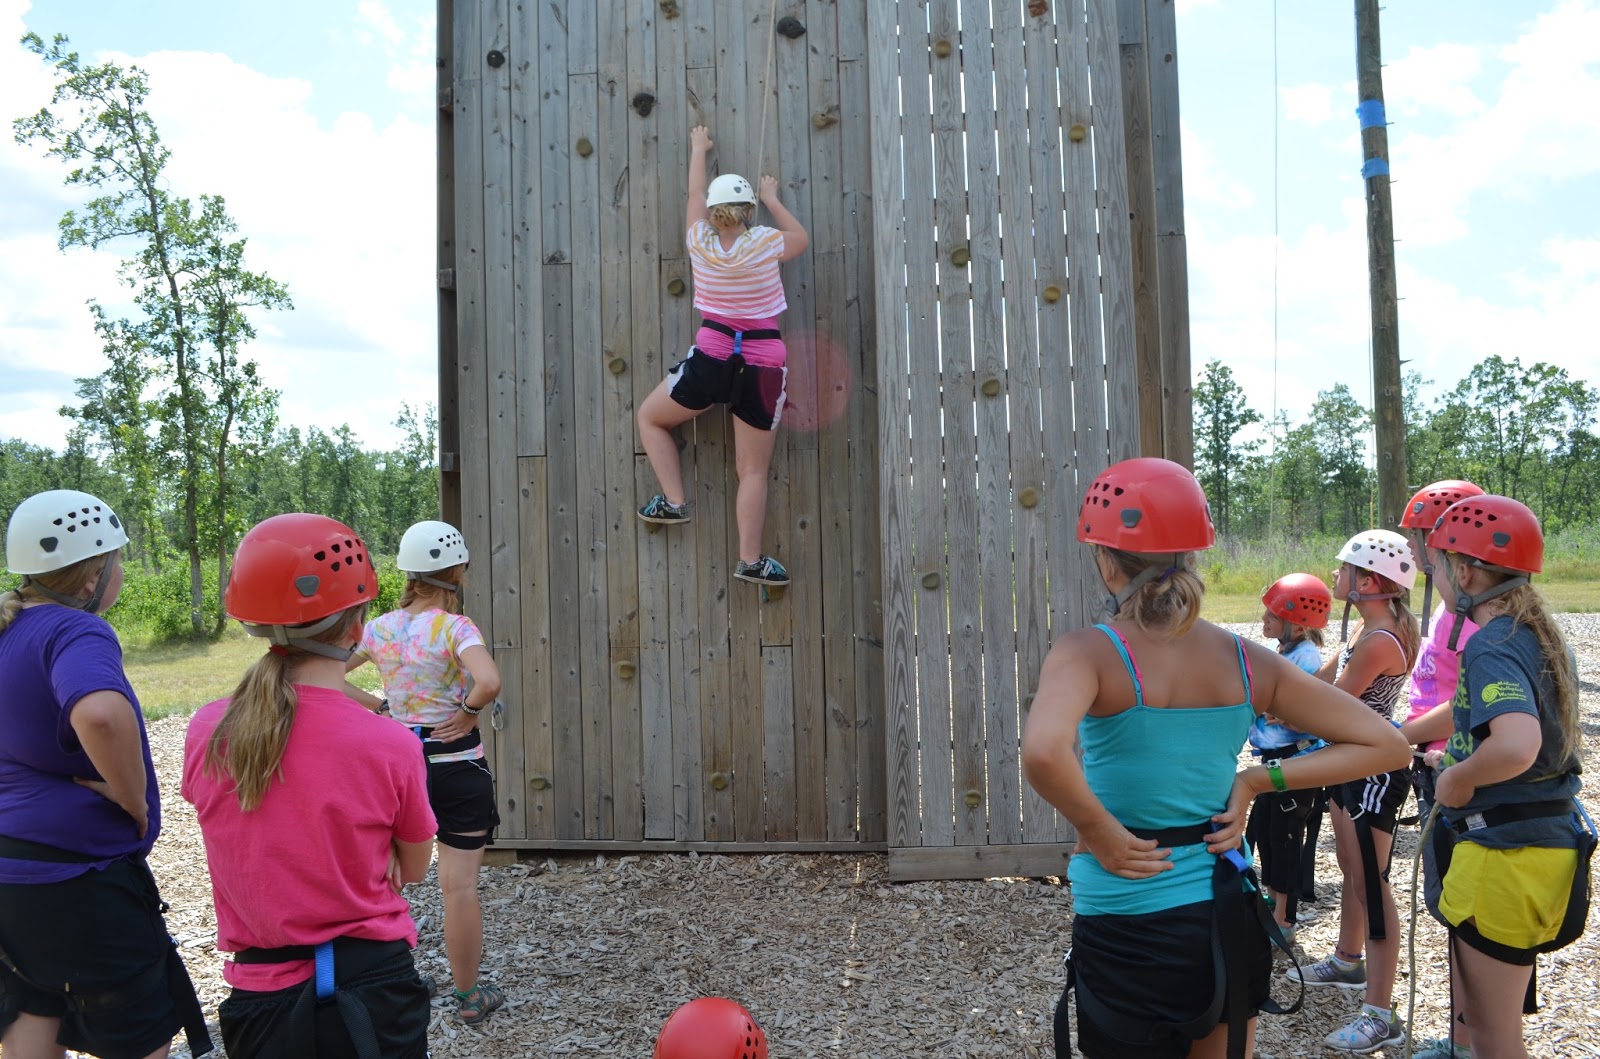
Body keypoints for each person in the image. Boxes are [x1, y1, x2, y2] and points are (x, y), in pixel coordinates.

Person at [1021, 458, 1410, 1059]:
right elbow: (1387, 744)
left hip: (1126, 913)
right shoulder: (1246, 658)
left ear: (1105, 560)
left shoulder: (1086, 652)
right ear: (1194, 556)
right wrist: (1256, 780)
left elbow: (1044, 752)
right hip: (1226, 911)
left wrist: (1098, 830)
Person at [182, 513, 436, 1059]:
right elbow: (414, 867)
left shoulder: (208, 730)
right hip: (374, 989)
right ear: (356, 627)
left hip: (261, 994)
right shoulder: (389, 743)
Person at [0, 489, 212, 1059]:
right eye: (117, 560)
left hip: (9, 873)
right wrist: (131, 797)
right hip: (78, 877)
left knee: (33, 1012)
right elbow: (99, 713)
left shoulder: (8, 628)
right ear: (94, 576)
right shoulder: (75, 630)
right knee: (137, 1038)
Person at [1399, 495, 1590, 1059]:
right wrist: (1446, 753)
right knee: (1496, 1026)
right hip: (1542, 846)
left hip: (1504, 855)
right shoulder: (1537, 635)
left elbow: (1516, 744)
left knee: (1492, 1037)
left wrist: (1459, 778)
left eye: (1436, 566)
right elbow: (1516, 736)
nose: (1433, 576)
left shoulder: (1491, 643)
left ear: (1465, 572)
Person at [342, 519, 506, 1026]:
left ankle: (395, 982)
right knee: (459, 888)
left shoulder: (380, 629)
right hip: (456, 769)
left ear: (408, 572)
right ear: (457, 571)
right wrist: (469, 711)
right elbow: (489, 681)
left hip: (398, 770)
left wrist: (380, 707)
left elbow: (329, 676)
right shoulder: (456, 628)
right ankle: (469, 997)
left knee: (388, 882)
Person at [635, 123, 810, 587]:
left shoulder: (699, 241)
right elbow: (800, 239)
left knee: (650, 418)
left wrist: (699, 147)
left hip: (712, 357)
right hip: (763, 363)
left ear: (712, 212)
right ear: (748, 210)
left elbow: (694, 193)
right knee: (752, 470)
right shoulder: (766, 241)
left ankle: (674, 501)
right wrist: (772, 199)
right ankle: (749, 560)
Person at [1290, 529, 1421, 1053]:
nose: (1335, 574)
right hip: (1352, 761)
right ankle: (1348, 961)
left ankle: (1380, 1014)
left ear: (1368, 582)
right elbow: (1317, 682)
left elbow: (1333, 701)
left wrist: (1285, 715)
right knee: (1353, 869)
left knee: (1371, 881)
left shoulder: (1379, 641)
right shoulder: (1366, 631)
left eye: (1343, 568)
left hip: (1372, 770)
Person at [1246, 573, 1332, 939]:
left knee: (1284, 840)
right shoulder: (1286, 652)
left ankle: (1284, 920)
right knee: (1266, 834)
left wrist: (1274, 709)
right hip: (1275, 760)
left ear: (1297, 625)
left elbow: (1309, 715)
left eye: (1273, 616)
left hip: (1293, 763)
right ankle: (1272, 900)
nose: (1264, 620)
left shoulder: (1306, 658)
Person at [1398, 479, 1485, 821]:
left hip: (1452, 759)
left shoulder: (1469, 616)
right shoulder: (1448, 606)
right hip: (1434, 752)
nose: (1409, 543)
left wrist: (1398, 736)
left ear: (1439, 539)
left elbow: (1467, 704)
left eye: (1415, 534)